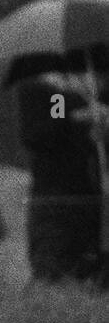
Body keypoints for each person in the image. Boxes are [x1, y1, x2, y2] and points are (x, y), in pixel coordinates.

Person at [14, 48, 109, 287]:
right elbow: (41, 131)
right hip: (57, 200)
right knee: (54, 277)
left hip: (97, 201)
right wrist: (76, 116)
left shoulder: (99, 87)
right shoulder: (46, 90)